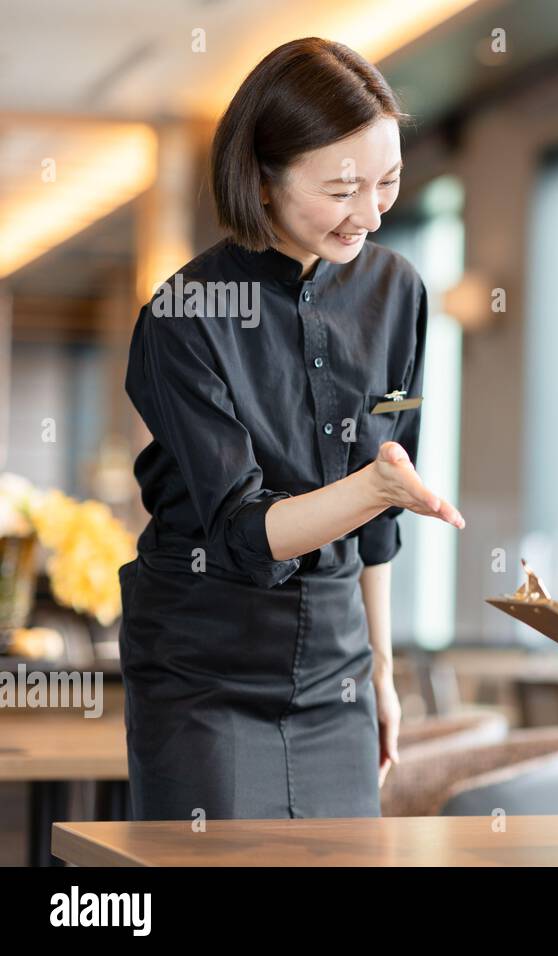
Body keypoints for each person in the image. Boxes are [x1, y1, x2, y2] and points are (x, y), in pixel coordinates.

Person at [118, 37, 464, 822]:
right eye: (342, 189)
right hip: (204, 661)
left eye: (388, 183)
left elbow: (382, 518)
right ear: (262, 179)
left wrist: (378, 669)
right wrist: (371, 487)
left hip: (337, 657)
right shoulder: (185, 314)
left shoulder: (396, 292)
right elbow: (243, 530)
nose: (371, 214)